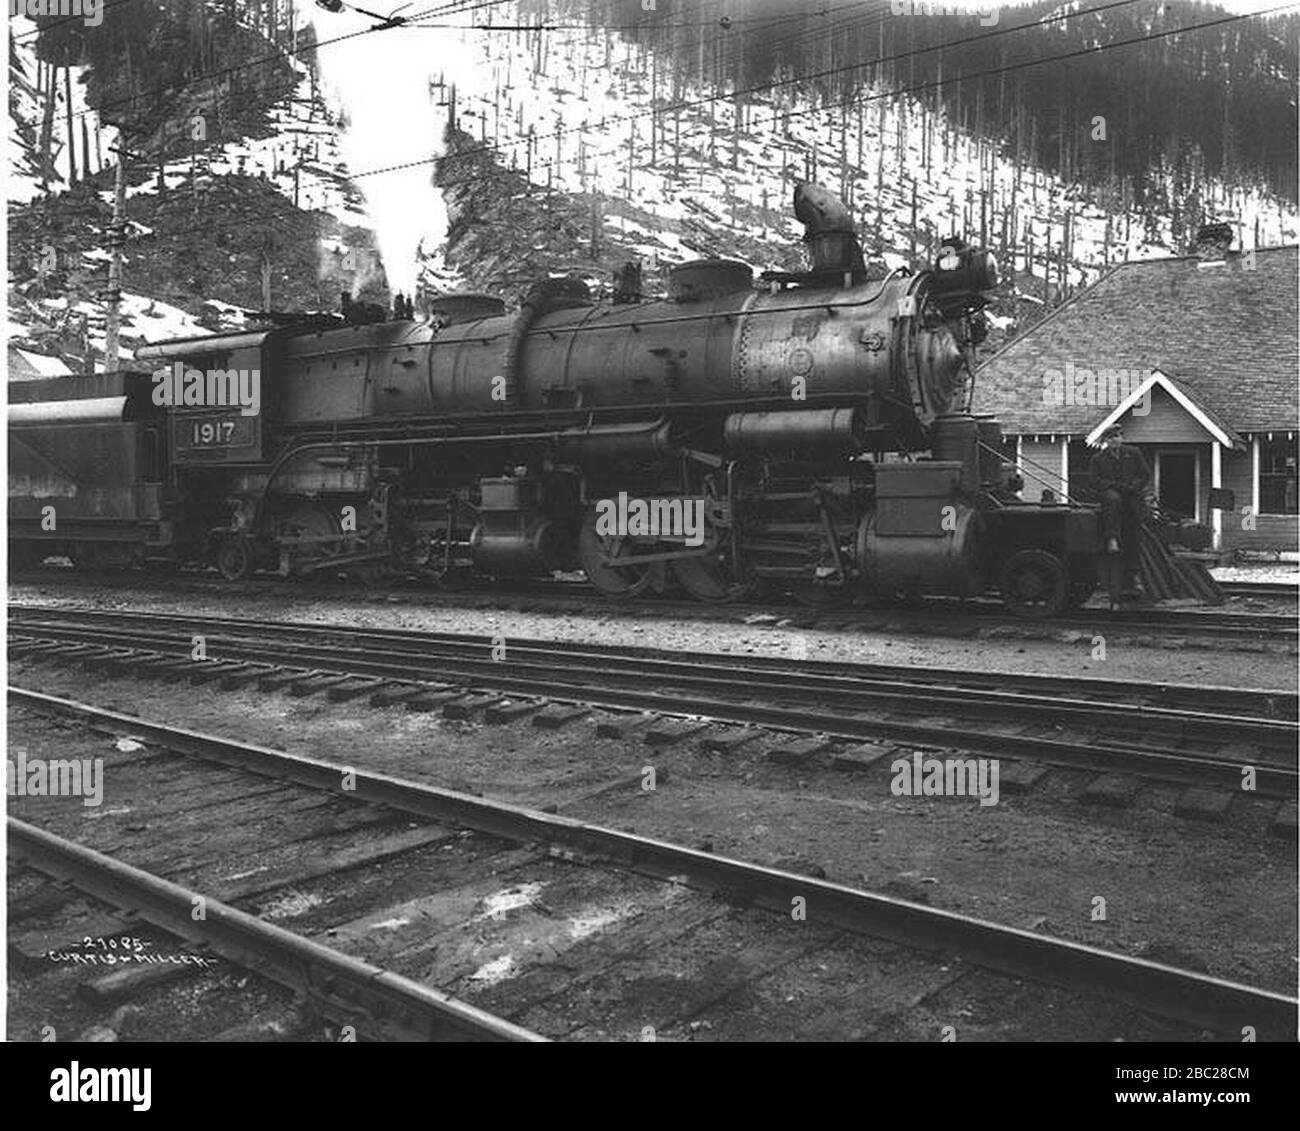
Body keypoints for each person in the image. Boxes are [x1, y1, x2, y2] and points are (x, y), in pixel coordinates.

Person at [1089, 422, 1150, 578]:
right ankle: (1112, 537)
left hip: (1131, 493)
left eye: (1116, 436)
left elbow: (1144, 475)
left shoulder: (1133, 453)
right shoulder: (1098, 458)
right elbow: (1094, 481)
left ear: (1121, 437)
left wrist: (1133, 487)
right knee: (1114, 500)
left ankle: (1133, 572)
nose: (1114, 440)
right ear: (1106, 441)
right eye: (1110, 438)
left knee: (1134, 528)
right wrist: (1114, 486)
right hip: (1110, 494)